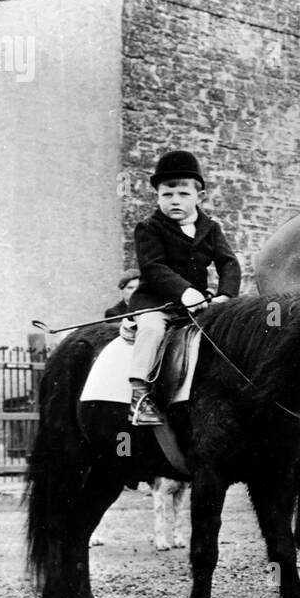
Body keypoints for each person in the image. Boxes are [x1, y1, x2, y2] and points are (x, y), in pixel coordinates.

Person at [128, 150, 241, 425]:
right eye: (167, 195)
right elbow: (153, 268)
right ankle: (139, 396)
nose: (174, 200)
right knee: (152, 329)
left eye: (183, 194)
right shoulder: (148, 228)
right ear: (157, 197)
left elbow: (228, 263)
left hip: (198, 305)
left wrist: (225, 295)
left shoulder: (210, 228)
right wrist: (184, 292)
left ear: (198, 197)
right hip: (157, 302)